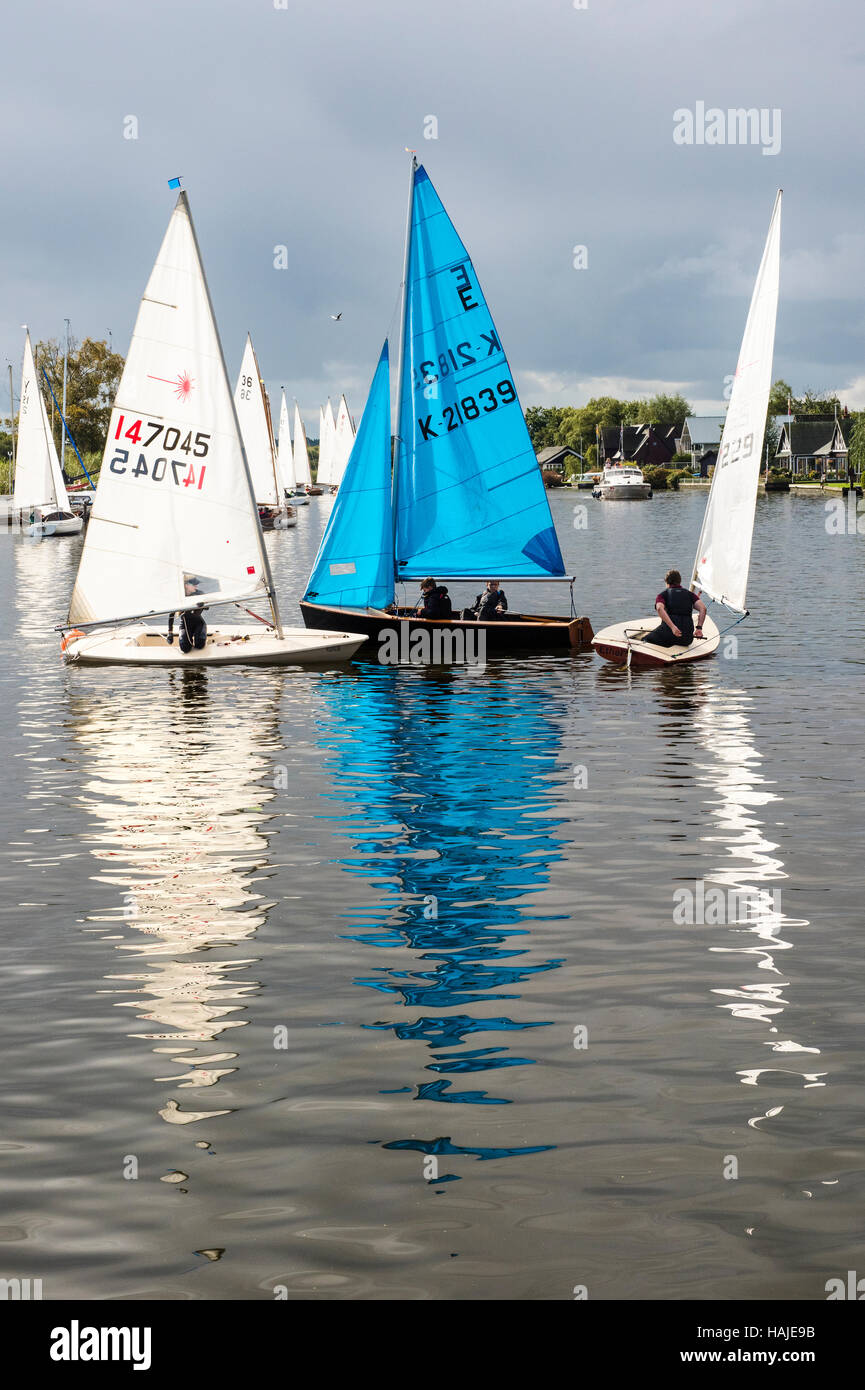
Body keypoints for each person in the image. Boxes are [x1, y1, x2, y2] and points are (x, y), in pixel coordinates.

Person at [644, 569, 706, 648]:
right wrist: (699, 628)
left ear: (667, 582)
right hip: (686, 639)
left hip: (668, 635)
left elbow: (659, 608)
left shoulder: (663, 595)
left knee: (646, 640)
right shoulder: (690, 594)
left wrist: (673, 627)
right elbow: (703, 608)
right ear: (680, 581)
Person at [168, 578, 208, 653]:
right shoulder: (179, 597)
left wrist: (203, 604)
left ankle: (199, 636)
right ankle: (190, 638)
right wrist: (170, 633)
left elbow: (207, 607)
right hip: (185, 624)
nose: (196, 587)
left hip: (198, 623)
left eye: (197, 585)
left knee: (199, 645)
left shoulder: (200, 594)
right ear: (186, 585)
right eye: (194, 585)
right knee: (185, 648)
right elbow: (171, 615)